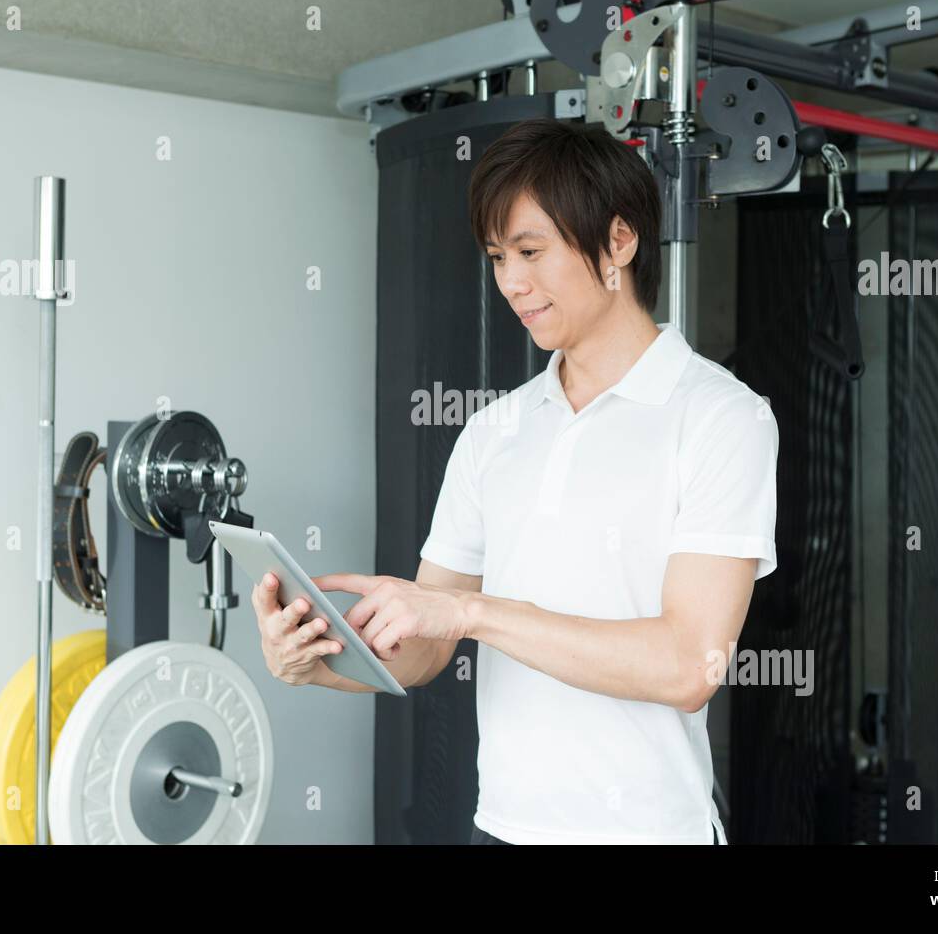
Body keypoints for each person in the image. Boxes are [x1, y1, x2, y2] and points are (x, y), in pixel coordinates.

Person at [249, 118, 778, 845]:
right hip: (498, 831)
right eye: (499, 257)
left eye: (531, 251)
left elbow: (690, 664)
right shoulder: (492, 432)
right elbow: (427, 647)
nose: (511, 283)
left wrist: (472, 615)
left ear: (619, 242)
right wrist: (319, 659)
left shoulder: (723, 418)